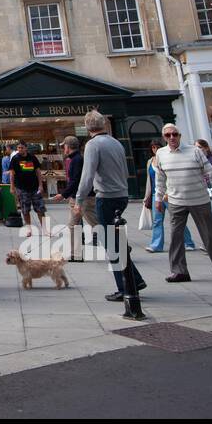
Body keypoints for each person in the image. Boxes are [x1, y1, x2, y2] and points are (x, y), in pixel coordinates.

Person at [75, 111, 146, 301]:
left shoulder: (92, 144)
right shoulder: (116, 142)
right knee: (116, 242)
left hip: (106, 197)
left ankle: (125, 287)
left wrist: (79, 199)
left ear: (87, 126)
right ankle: (135, 280)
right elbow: (124, 169)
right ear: (104, 124)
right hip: (121, 195)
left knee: (111, 244)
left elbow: (87, 175)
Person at [152, 124, 212, 284]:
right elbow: (160, 179)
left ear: (180, 135)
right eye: (168, 135)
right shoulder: (161, 154)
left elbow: (211, 175)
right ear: (164, 137)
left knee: (211, 236)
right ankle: (179, 271)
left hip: (199, 200)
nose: (172, 137)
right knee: (176, 237)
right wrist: (158, 198)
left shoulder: (195, 151)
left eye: (175, 134)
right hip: (176, 201)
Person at [144, 139, 195, 253]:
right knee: (157, 220)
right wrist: (147, 196)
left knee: (177, 219)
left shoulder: (166, 159)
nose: (155, 149)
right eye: (153, 147)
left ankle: (188, 242)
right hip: (155, 195)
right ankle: (156, 245)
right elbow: (149, 180)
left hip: (169, 194)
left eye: (157, 147)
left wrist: (169, 192)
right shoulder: (150, 161)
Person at [7, 140, 46, 232]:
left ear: (26, 148)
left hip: (35, 187)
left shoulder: (32, 157)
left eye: (22, 148)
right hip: (22, 188)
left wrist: (41, 185)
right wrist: (12, 187)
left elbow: (38, 172)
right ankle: (29, 229)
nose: (20, 149)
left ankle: (45, 229)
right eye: (18, 148)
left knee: (41, 209)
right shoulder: (15, 159)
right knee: (25, 210)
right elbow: (12, 174)